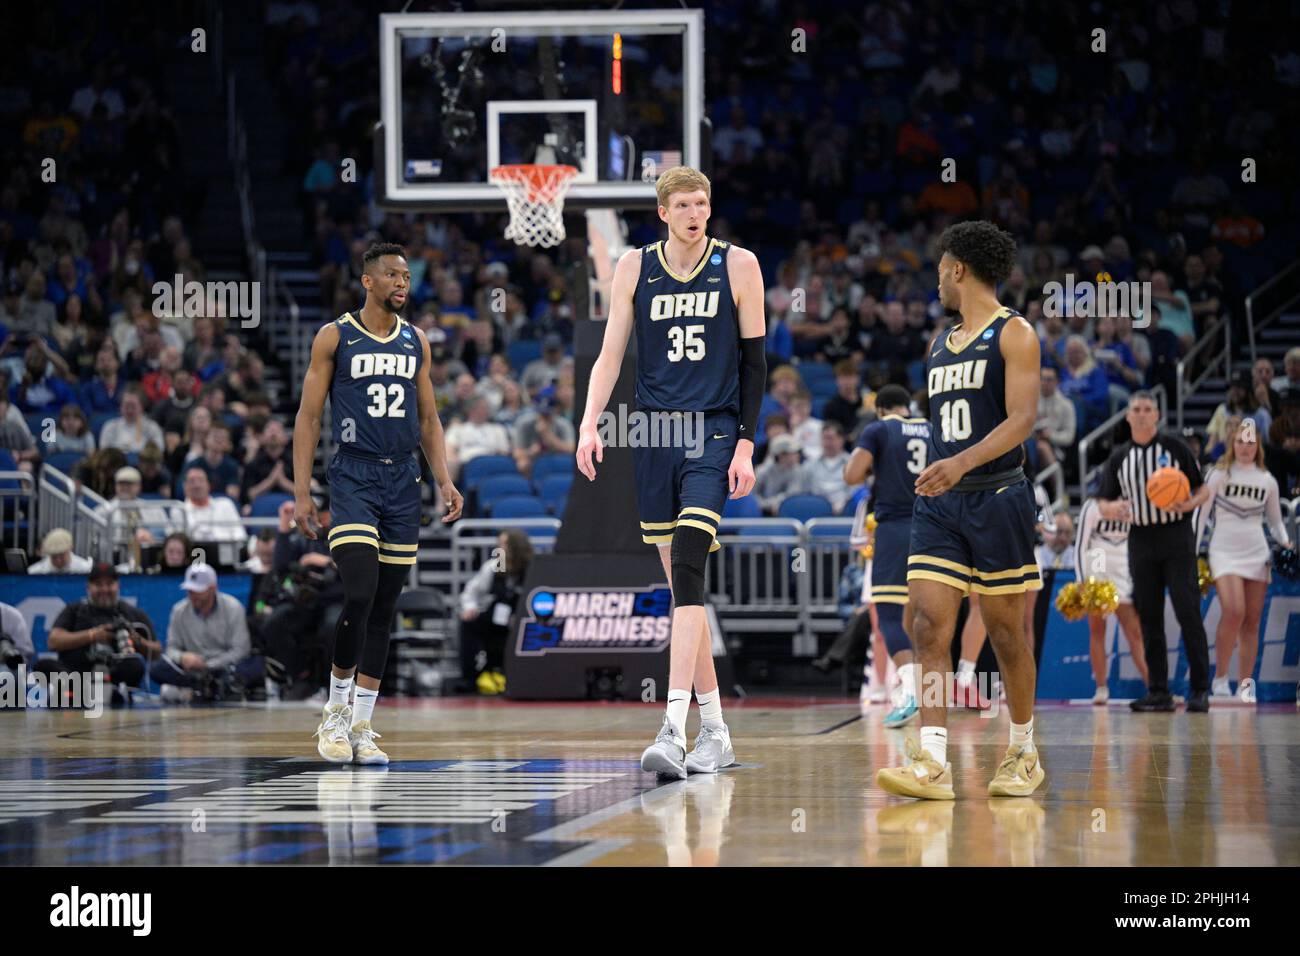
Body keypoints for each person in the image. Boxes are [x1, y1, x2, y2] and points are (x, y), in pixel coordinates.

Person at [577, 166, 766, 779]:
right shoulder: (632, 268)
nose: (694, 212)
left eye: (702, 202)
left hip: (712, 429)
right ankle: (717, 732)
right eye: (683, 204)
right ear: (663, 212)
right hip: (654, 434)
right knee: (686, 589)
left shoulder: (740, 265)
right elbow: (610, 357)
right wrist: (588, 423)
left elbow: (755, 363)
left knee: (688, 564)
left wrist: (746, 443)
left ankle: (672, 726)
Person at [876, 220, 1045, 801]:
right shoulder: (936, 345)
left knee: (1004, 631)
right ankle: (933, 762)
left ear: (958, 269)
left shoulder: (1015, 333)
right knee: (926, 623)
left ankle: (1022, 749)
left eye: (940, 269)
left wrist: (963, 463)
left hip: (998, 498)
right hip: (941, 504)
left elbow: (1022, 420)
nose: (937, 281)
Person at [293, 241, 463, 765]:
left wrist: (444, 479)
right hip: (352, 475)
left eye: (406, 276)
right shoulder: (335, 336)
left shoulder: (417, 341)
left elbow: (430, 420)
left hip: (403, 479)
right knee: (361, 592)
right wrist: (302, 490)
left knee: (386, 605)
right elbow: (309, 417)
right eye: (391, 275)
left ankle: (363, 726)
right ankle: (335, 714)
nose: (401, 284)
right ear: (367, 281)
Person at [1097, 391, 1213, 712]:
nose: (1143, 414)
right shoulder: (1120, 457)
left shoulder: (1175, 448)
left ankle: (1201, 689)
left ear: (1157, 415)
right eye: (1137, 409)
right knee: (1149, 617)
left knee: (1187, 610)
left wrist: (1188, 502)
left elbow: (1203, 488)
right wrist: (1114, 508)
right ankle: (1158, 691)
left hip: (1176, 537)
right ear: (1128, 417)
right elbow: (1102, 502)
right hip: (1140, 539)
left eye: (1149, 409)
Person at [843, 384, 930, 728]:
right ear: (907, 407)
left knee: (890, 618)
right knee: (929, 618)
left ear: (880, 410)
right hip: (934, 528)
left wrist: (874, 462)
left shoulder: (879, 429)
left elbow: (850, 475)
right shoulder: (932, 427)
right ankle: (939, 693)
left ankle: (909, 689)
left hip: (894, 529)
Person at [1195, 419, 1293, 704]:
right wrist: (1191, 550)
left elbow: (1275, 521)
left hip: (1256, 552)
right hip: (1223, 550)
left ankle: (1246, 685)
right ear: (1231, 443)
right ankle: (1221, 678)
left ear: (1258, 445)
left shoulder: (1267, 481)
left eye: (1251, 442)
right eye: (1240, 441)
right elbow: (1200, 516)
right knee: (1234, 610)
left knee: (1252, 622)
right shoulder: (1218, 475)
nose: (1245, 447)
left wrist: (1285, 541)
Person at [45, 563, 160, 702]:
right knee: (44, 666)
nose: (104, 589)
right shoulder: (75, 609)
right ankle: (80, 690)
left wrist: (137, 640)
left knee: (135, 664)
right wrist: (92, 635)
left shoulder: (131, 612)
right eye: (98, 584)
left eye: (109, 584)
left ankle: (112, 690)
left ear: (117, 586)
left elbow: (157, 651)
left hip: (115, 673)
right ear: (88, 587)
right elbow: (53, 641)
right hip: (78, 673)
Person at [151, 563, 262, 702]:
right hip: (191, 670)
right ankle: (203, 688)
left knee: (254, 665)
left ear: (213, 588)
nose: (193, 595)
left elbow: (240, 650)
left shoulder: (234, 608)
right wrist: (183, 657)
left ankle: (202, 688)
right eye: (190, 590)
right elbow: (171, 648)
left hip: (223, 667)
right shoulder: (178, 611)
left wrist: (209, 665)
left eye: (198, 591)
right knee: (157, 669)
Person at [457, 529, 532, 694]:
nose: (499, 548)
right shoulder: (493, 566)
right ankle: (469, 678)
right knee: (469, 624)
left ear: (516, 547)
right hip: (497, 618)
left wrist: (520, 618)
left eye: (503, 544)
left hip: (525, 620)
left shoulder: (532, 568)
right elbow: (470, 592)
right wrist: (470, 608)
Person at [100, 385, 164, 454]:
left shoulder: (152, 427)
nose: (130, 410)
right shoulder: (111, 426)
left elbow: (159, 450)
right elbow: (104, 452)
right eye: (126, 406)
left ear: (141, 406)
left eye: (133, 406)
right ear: (120, 406)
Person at [28, 528, 93, 574]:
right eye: (54, 557)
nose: (58, 560)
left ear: (70, 548)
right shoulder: (34, 573)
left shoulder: (85, 570)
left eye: (62, 555)